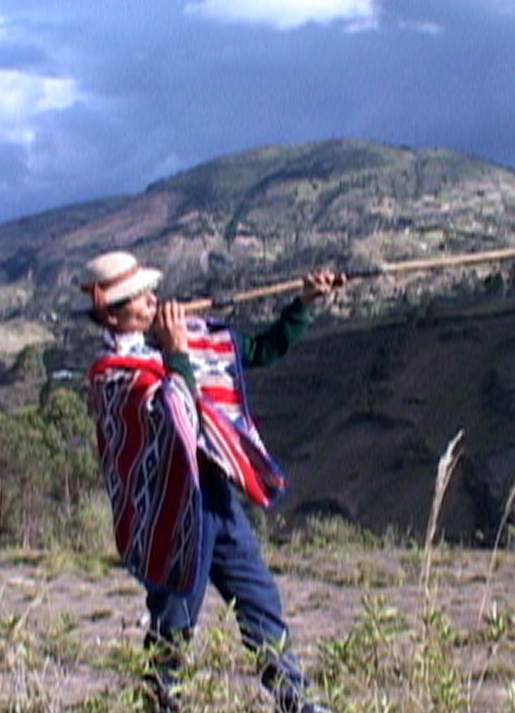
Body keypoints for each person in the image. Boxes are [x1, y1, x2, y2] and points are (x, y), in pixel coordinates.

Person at [80, 250, 342, 713]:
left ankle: (295, 701)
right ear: (115, 314)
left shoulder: (195, 341)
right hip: (171, 509)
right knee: (176, 615)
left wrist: (303, 303)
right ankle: (159, 702)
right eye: (140, 298)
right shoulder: (112, 375)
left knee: (259, 598)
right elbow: (176, 412)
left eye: (149, 293)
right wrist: (174, 350)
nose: (153, 300)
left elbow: (262, 350)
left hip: (214, 496)